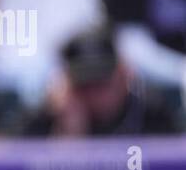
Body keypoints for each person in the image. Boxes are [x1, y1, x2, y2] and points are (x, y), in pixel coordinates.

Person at [23, 27, 182, 136]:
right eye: (83, 85)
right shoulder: (49, 115)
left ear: (123, 74)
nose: (92, 95)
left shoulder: (150, 110)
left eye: (101, 83)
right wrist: (68, 134)